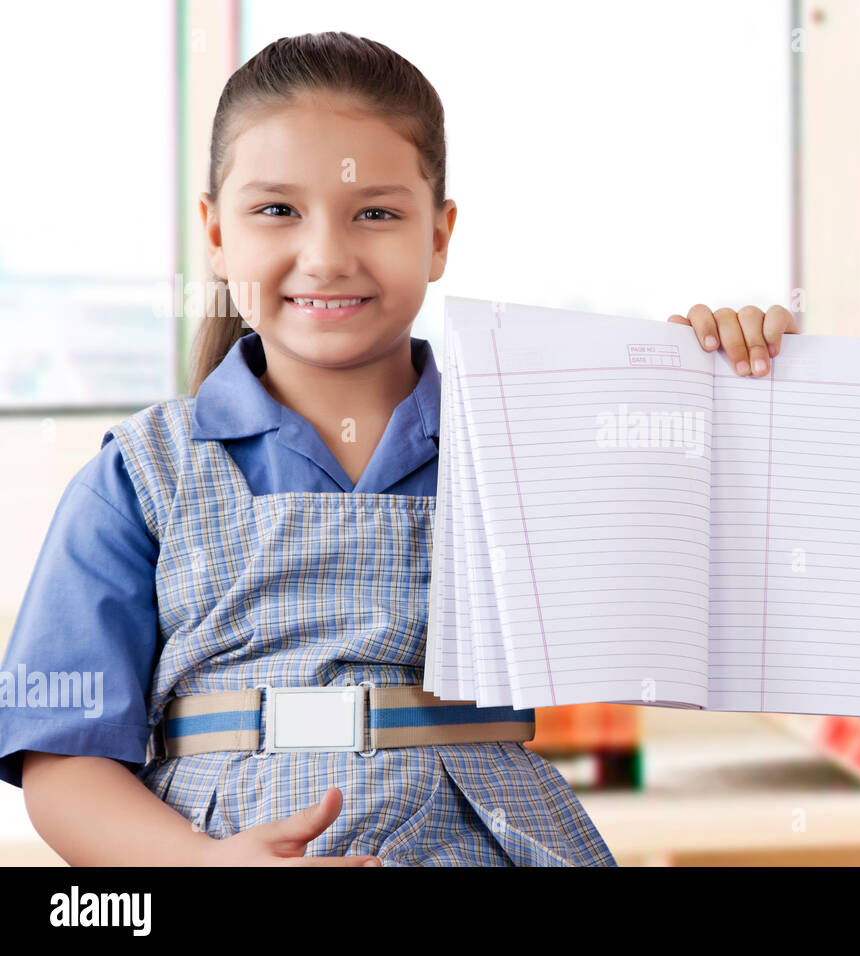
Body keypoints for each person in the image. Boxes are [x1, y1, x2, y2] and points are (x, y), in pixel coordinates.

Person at [0, 31, 798, 866]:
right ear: (215, 233)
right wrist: (201, 863)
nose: (327, 256)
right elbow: (65, 759)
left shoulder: (528, 453)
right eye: (276, 210)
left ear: (440, 236)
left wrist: (728, 396)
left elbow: (720, 597)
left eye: (376, 213)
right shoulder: (139, 475)